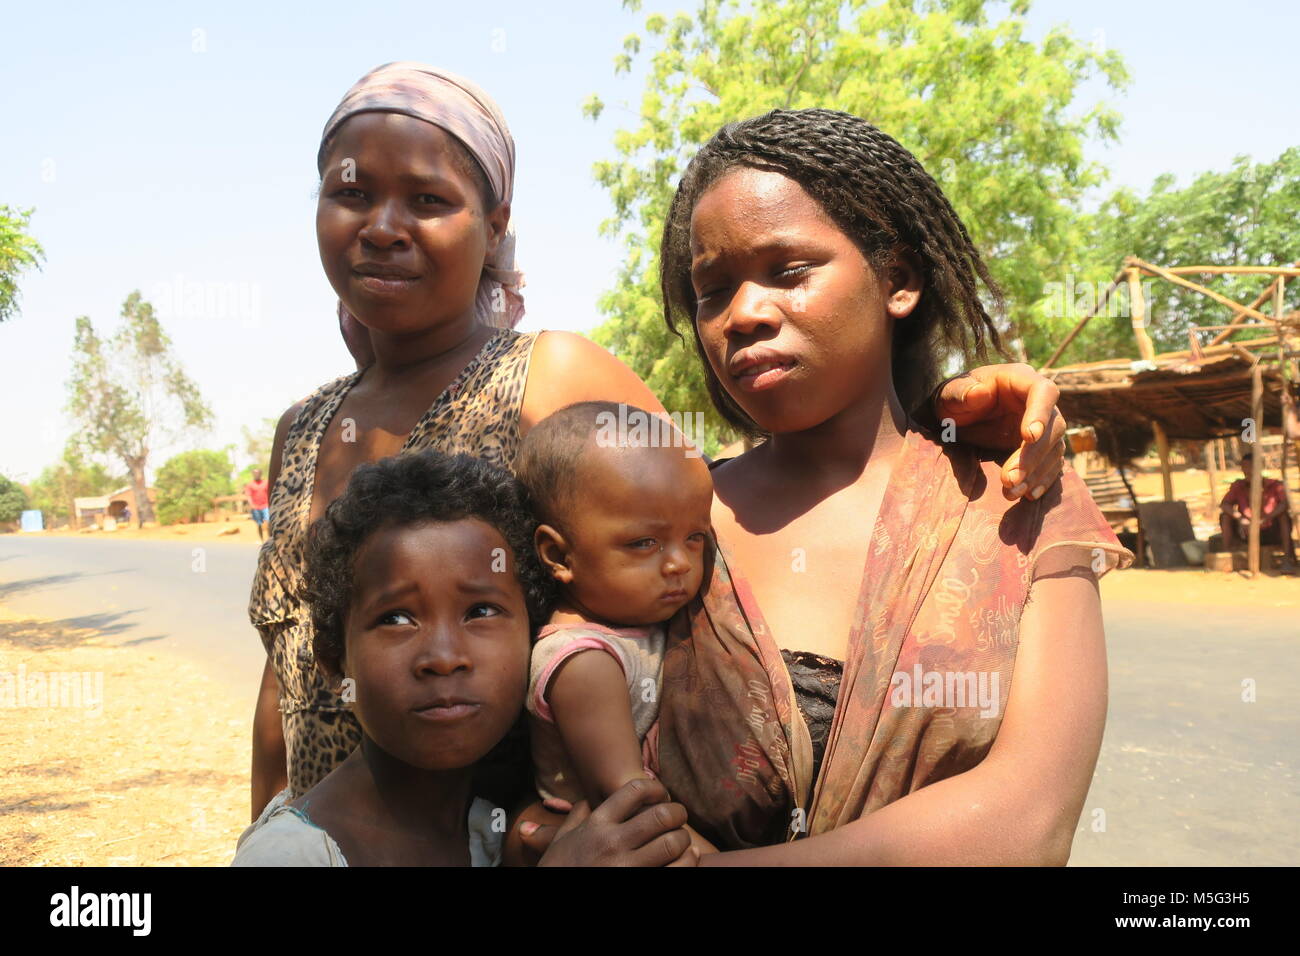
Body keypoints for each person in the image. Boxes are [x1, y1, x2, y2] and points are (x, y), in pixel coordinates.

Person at [250, 61, 1069, 824]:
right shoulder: (303, 430)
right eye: (351, 196)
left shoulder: (553, 376)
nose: (384, 227)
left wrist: (946, 423)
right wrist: (265, 831)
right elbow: (282, 685)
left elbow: (699, 501)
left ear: (494, 224)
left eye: (428, 201)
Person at [516, 108, 1133, 864]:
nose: (743, 314)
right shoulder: (665, 528)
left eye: (789, 271)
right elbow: (545, 763)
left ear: (897, 280)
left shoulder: (1021, 499)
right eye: (713, 290)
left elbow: (1027, 821)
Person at [234, 450, 697, 865]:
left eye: (481, 611)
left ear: (534, 638)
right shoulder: (289, 856)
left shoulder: (502, 833)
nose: (444, 657)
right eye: (396, 619)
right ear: (336, 661)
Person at [513, 401, 717, 857]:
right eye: (644, 542)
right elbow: (628, 797)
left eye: (695, 537)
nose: (679, 563)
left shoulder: (635, 618)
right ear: (559, 556)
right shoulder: (584, 660)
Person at [1219, 451, 1296, 571]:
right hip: (1246, 531)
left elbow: (1285, 504)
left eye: (1250, 467)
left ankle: (1286, 559)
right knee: (1225, 516)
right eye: (1244, 467)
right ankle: (1228, 554)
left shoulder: (1275, 485)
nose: (1247, 470)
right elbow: (1225, 504)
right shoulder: (1238, 486)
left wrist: (1267, 518)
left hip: (1271, 531)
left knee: (1283, 516)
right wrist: (1240, 519)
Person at [244, 468, 270, 541]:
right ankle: (262, 540)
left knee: (268, 522)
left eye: (258, 473)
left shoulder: (266, 483)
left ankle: (269, 539)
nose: (256, 475)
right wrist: (251, 505)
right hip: (256, 507)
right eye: (255, 473)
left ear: (260, 474)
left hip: (265, 506)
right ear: (253, 475)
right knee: (259, 524)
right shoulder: (250, 485)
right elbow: (248, 495)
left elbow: (269, 492)